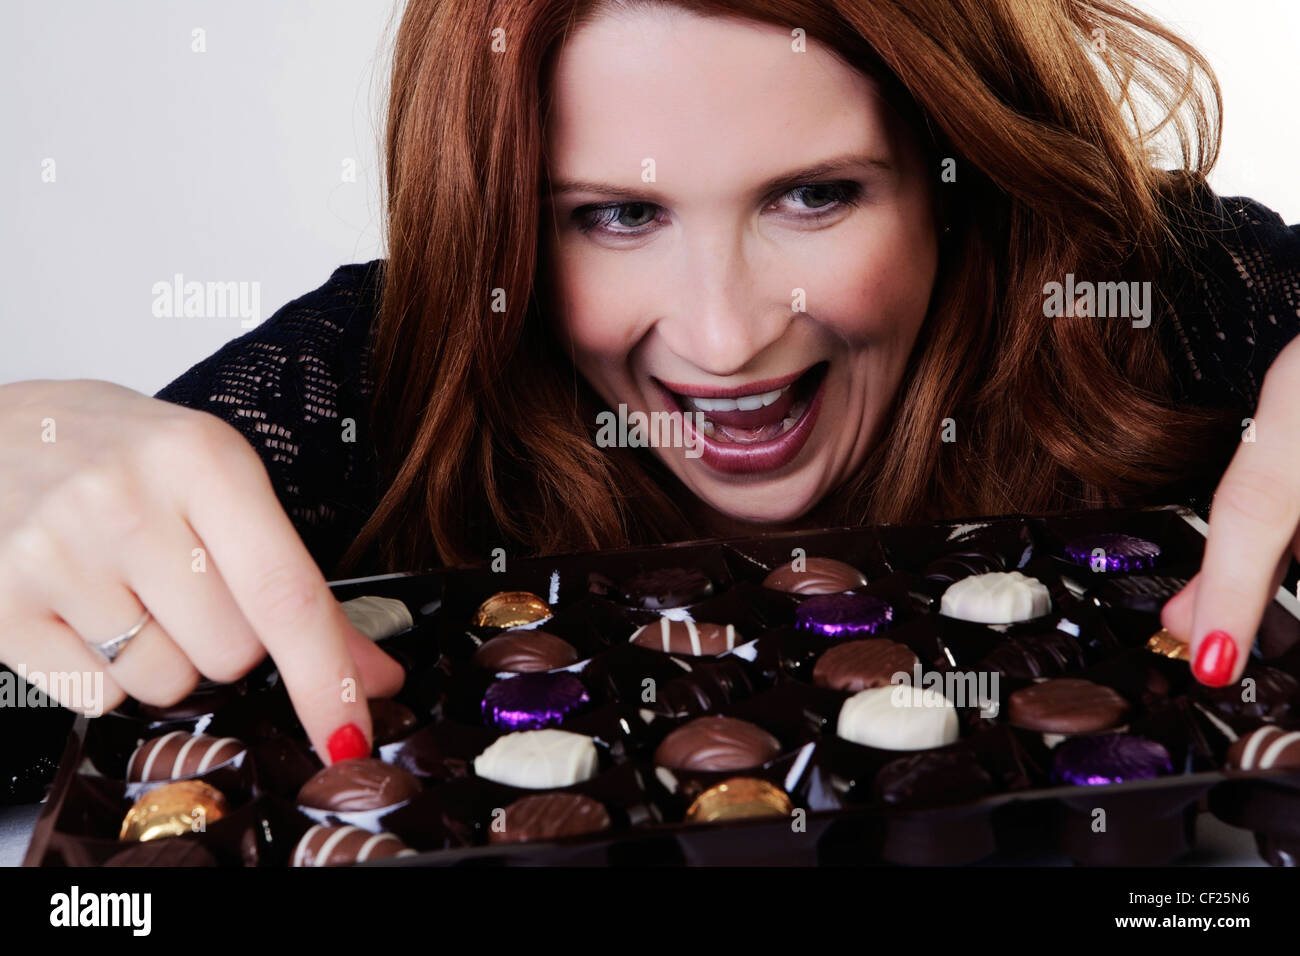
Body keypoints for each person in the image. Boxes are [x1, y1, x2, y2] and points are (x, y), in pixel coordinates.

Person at [2, 0, 1298, 769]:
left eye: (815, 195)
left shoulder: (1161, 306)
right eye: (617, 215)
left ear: (958, 166)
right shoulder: (372, 387)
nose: (724, 339)